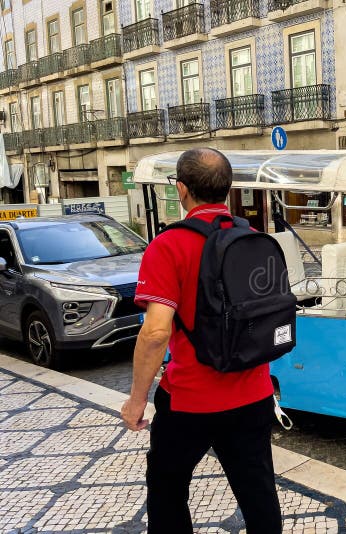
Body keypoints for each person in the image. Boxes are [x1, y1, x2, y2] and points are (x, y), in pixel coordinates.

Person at [121, 148, 282, 533]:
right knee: (258, 491)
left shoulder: (168, 245)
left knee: (168, 486)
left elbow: (157, 331)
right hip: (253, 392)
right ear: (227, 190)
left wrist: (137, 399)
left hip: (191, 399)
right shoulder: (253, 237)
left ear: (181, 189)